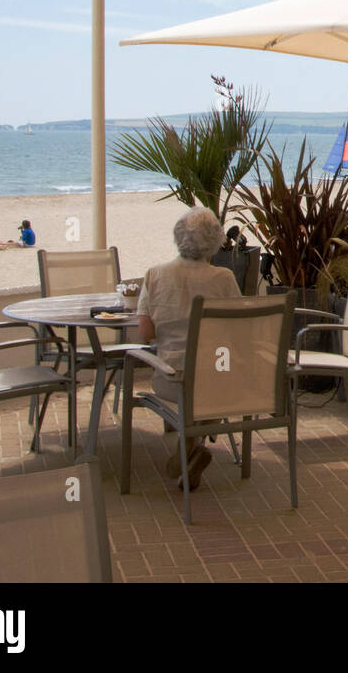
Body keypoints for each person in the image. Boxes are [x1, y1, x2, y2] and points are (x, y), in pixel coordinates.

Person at [136, 206, 242, 490]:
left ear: (178, 236)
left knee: (189, 386)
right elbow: (237, 329)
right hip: (220, 383)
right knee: (210, 385)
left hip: (174, 381)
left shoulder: (155, 275)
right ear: (216, 240)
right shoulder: (225, 279)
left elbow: (145, 334)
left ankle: (189, 451)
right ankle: (191, 448)